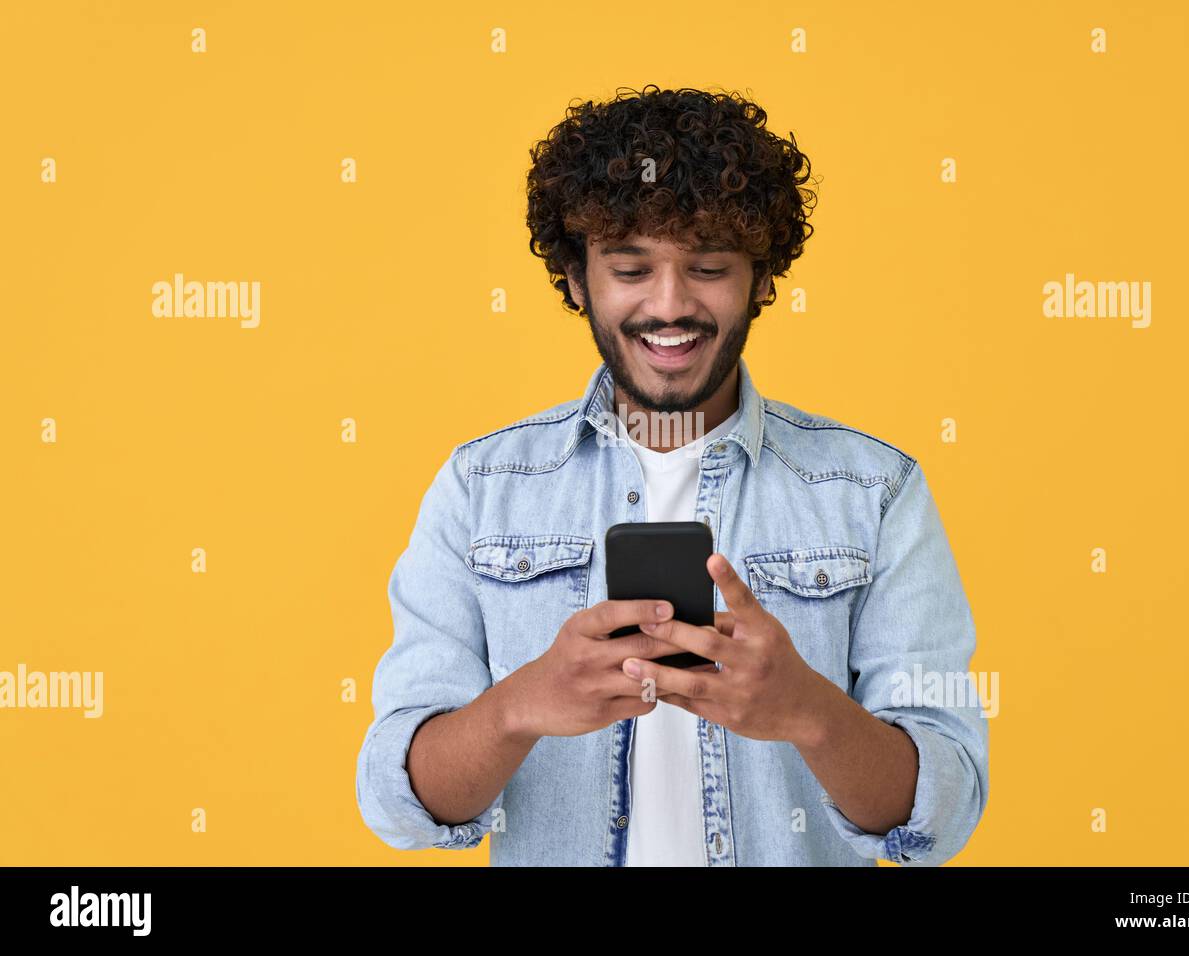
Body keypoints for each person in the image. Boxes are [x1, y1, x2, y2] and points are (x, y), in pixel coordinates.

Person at [356, 85, 988, 866]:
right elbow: (399, 806)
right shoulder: (482, 484)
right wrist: (520, 705)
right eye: (630, 268)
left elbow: (943, 813)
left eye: (709, 267)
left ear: (761, 279)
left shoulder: (874, 490)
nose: (670, 305)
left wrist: (808, 711)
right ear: (578, 280)